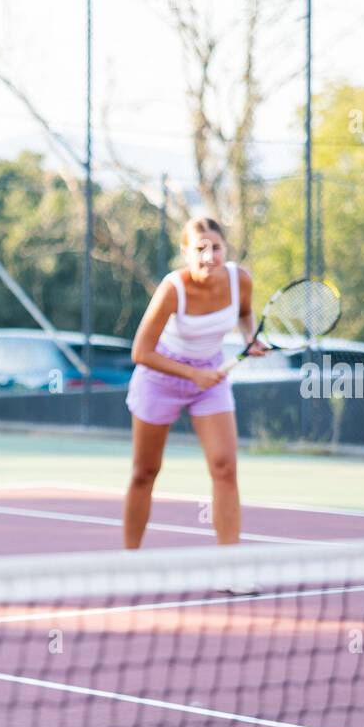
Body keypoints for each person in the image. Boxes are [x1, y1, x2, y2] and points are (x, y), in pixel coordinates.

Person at [125, 216, 264, 550]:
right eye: (200, 249)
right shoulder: (173, 289)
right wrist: (193, 375)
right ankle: (129, 561)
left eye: (216, 248)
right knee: (146, 471)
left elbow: (245, 314)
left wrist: (250, 337)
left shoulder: (239, 280)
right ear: (186, 252)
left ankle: (230, 565)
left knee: (225, 468)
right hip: (160, 380)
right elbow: (140, 352)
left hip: (211, 380)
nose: (209, 256)